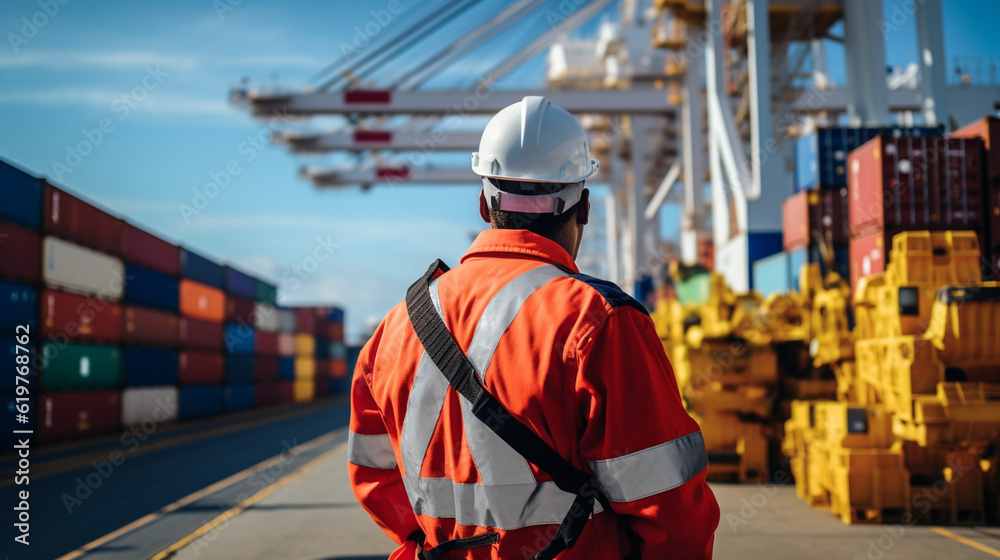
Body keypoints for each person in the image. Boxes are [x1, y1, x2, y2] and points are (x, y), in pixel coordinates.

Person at [348, 96, 719, 559]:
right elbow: (672, 511)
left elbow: (374, 476)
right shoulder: (600, 321)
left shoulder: (396, 327)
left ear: (484, 205)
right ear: (583, 208)